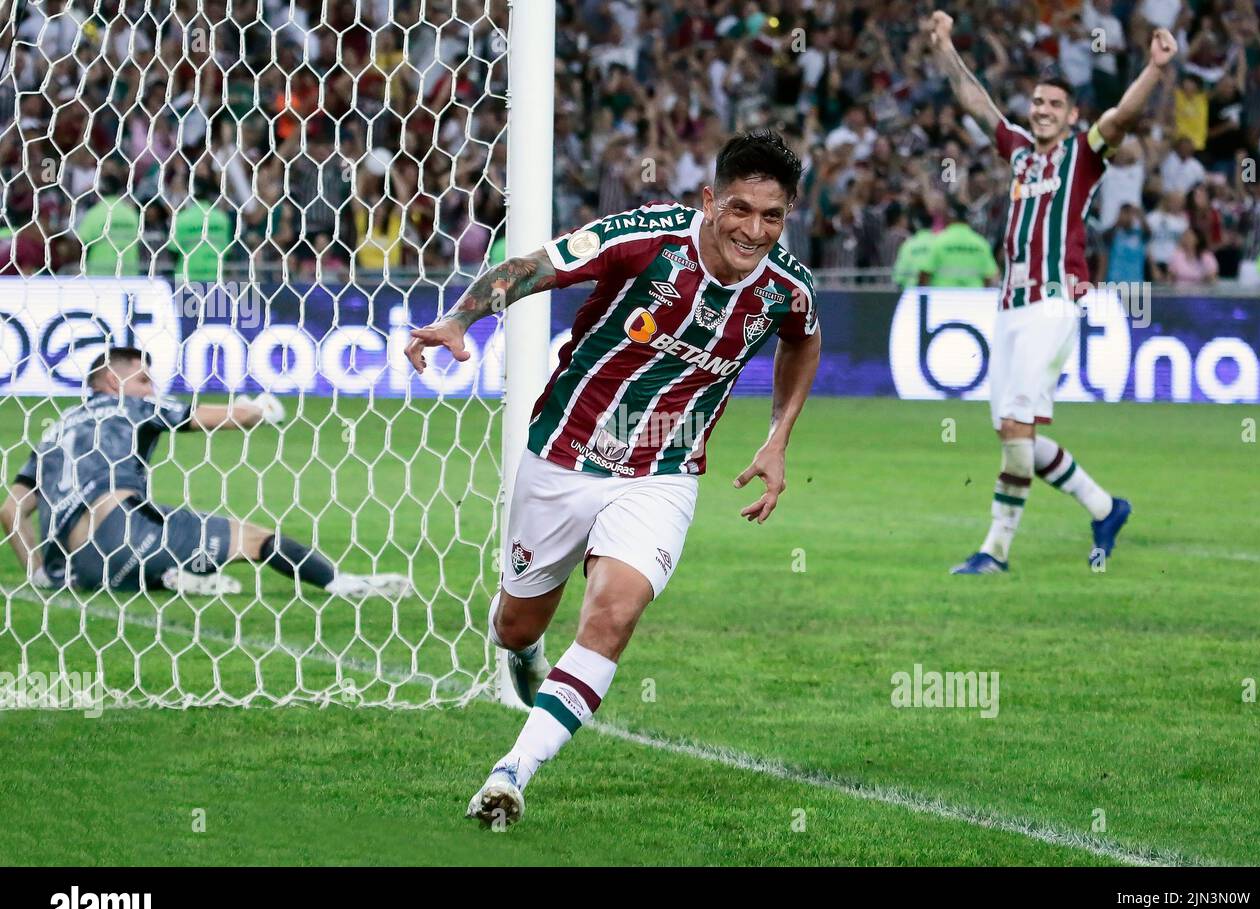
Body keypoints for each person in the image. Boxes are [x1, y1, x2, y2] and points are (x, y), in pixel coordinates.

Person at [404, 129, 821, 827]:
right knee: (515, 624)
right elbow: (534, 267)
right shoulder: (648, 239)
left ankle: (512, 774)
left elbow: (804, 337)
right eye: (741, 210)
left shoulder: (785, 287)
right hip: (563, 454)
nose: (754, 231)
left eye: (772, 217)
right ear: (711, 198)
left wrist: (779, 436)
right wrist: (461, 318)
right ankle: (527, 650)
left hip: (663, 472)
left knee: (616, 611)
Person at [928, 11, 1179, 574]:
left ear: (1070, 117)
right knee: (1017, 438)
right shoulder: (1018, 152)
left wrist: (1154, 69)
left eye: (1053, 105)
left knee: (1017, 431)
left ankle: (994, 551)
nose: (1041, 110)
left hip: (1053, 302)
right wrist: (944, 47)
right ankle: (1105, 507)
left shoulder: (1082, 155)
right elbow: (974, 100)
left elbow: (1121, 118)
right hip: (1010, 310)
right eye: (1037, 102)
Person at [0, 347, 413, 600]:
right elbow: (217, 417)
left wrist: (37, 571)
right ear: (113, 380)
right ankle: (342, 583)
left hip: (81, 568)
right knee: (254, 539)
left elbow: (11, 510)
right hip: (124, 532)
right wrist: (262, 410)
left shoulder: (56, 430)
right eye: (143, 379)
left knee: (160, 551)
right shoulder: (133, 405)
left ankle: (175, 576)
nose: (150, 387)